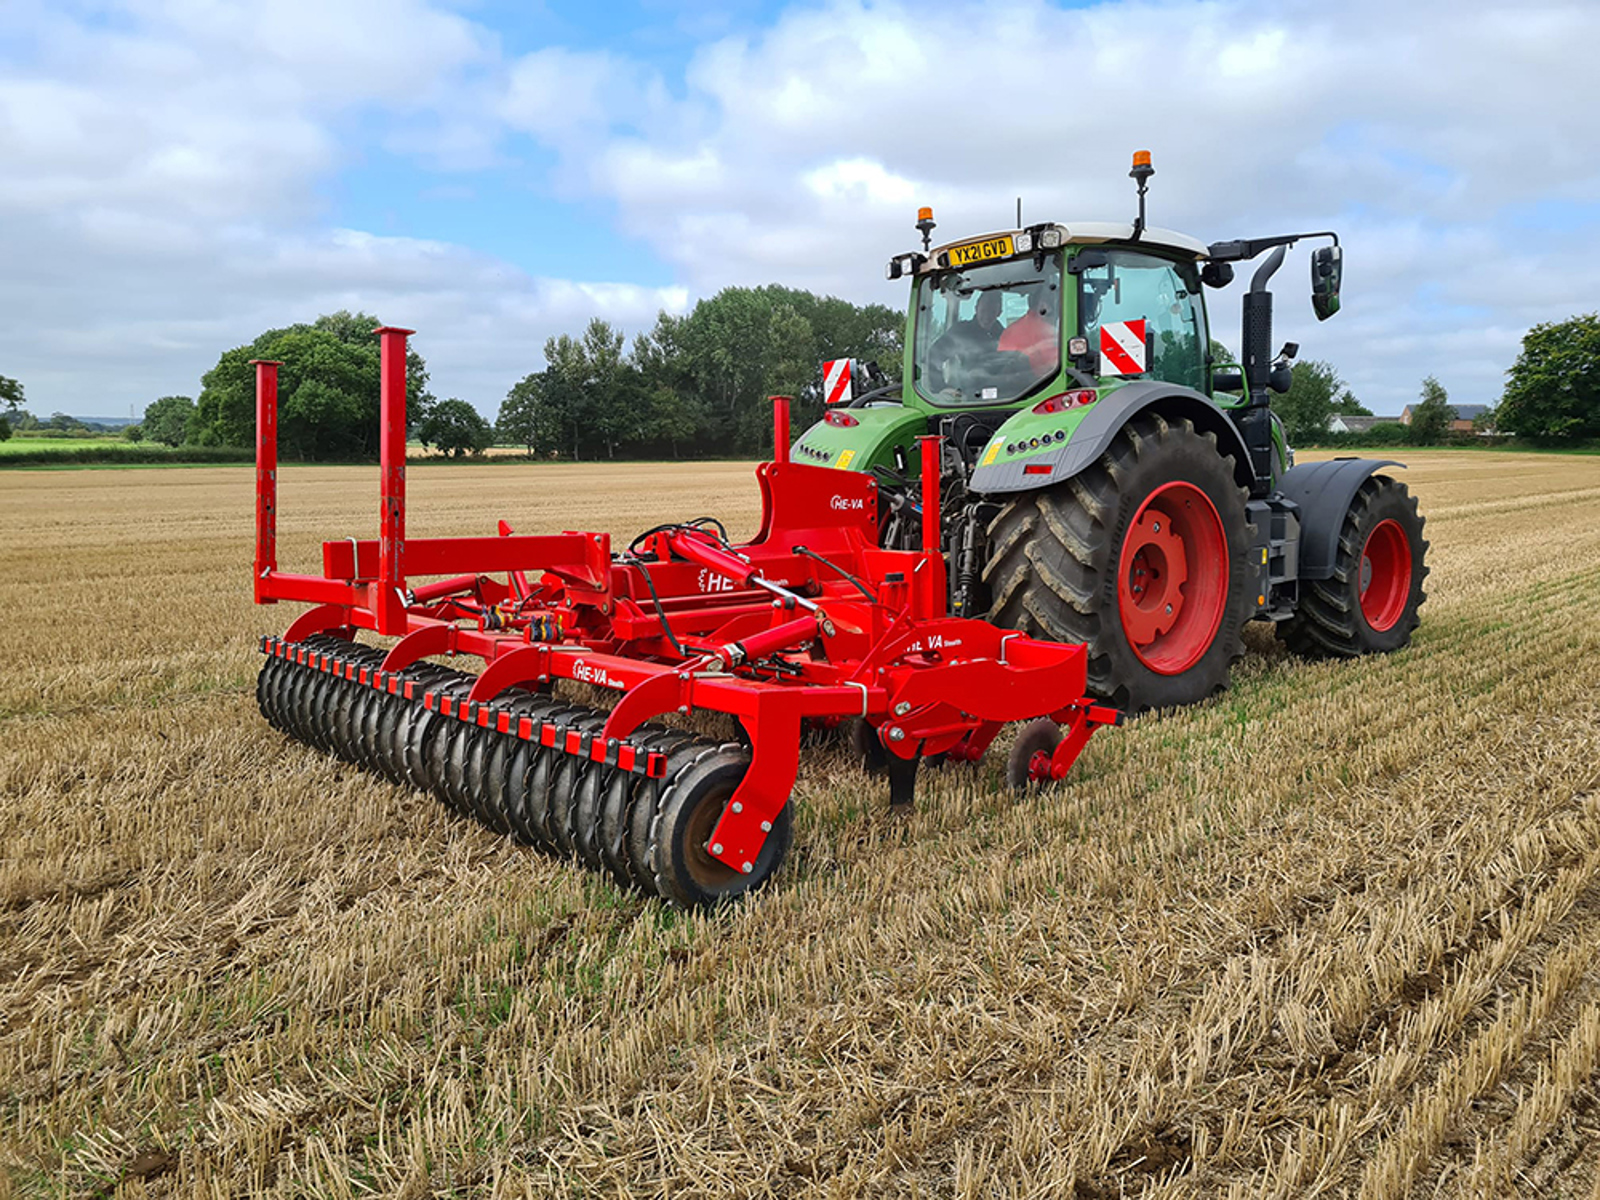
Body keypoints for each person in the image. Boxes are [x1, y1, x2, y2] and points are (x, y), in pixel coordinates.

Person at [998, 284, 1058, 374]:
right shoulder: (1015, 332)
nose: (1049, 306)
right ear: (1035, 304)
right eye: (1047, 301)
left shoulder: (1057, 327)